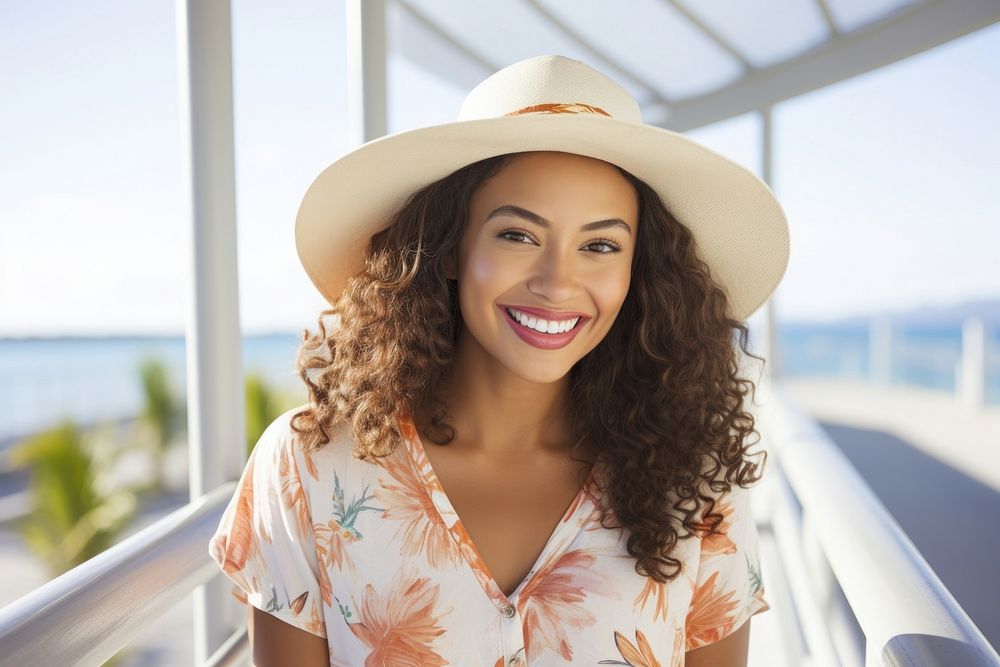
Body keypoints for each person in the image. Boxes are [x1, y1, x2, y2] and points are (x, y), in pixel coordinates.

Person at [209, 54, 789, 667]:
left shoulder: (696, 485)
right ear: (450, 249)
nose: (558, 282)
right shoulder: (309, 468)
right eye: (518, 235)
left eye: (600, 245)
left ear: (636, 273)